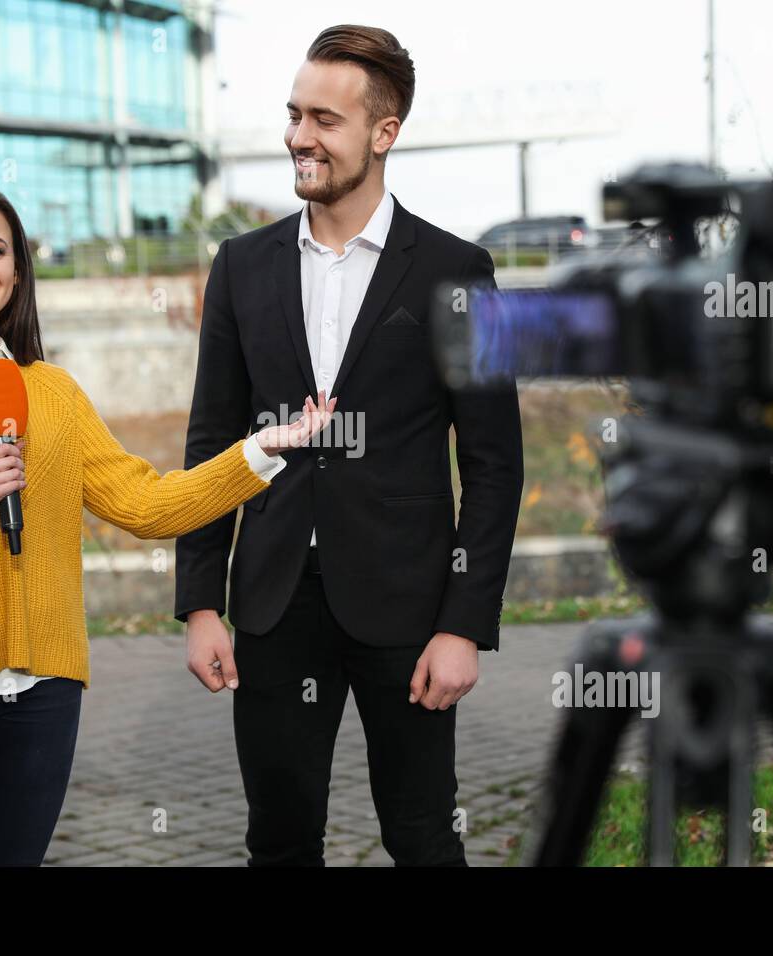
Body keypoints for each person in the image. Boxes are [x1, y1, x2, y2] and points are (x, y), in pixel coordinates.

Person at [0, 179, 335, 866]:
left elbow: (147, 504)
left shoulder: (53, 392)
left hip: (44, 694)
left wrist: (261, 450)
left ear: (17, 270)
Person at [175, 25, 524, 865]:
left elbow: (493, 462)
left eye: (325, 119)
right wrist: (198, 603)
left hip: (408, 608)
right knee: (282, 839)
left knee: (422, 838)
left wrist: (464, 626)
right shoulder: (241, 265)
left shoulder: (456, 271)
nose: (300, 136)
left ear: (383, 132)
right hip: (270, 602)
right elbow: (211, 441)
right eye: (294, 114)